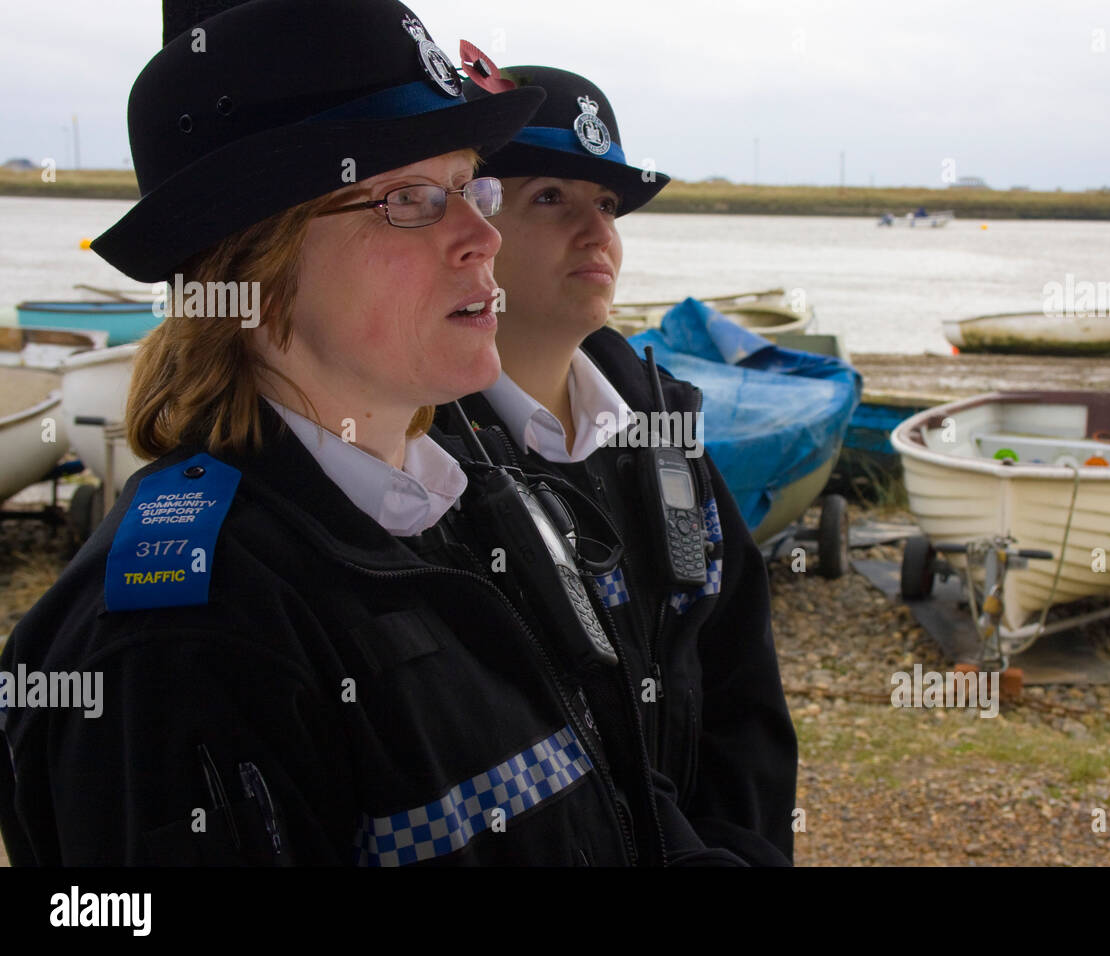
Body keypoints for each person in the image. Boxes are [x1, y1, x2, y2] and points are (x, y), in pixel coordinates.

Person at [0, 0, 668, 866]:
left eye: (472, 187)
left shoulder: (494, 509)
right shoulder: (178, 645)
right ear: (254, 261)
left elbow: (639, 819)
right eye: (411, 200)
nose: (483, 237)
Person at [445, 66, 798, 865]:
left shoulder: (664, 430)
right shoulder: (420, 464)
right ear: (468, 226)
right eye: (551, 199)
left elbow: (743, 687)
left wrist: (747, 850)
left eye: (605, 205)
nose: (596, 231)